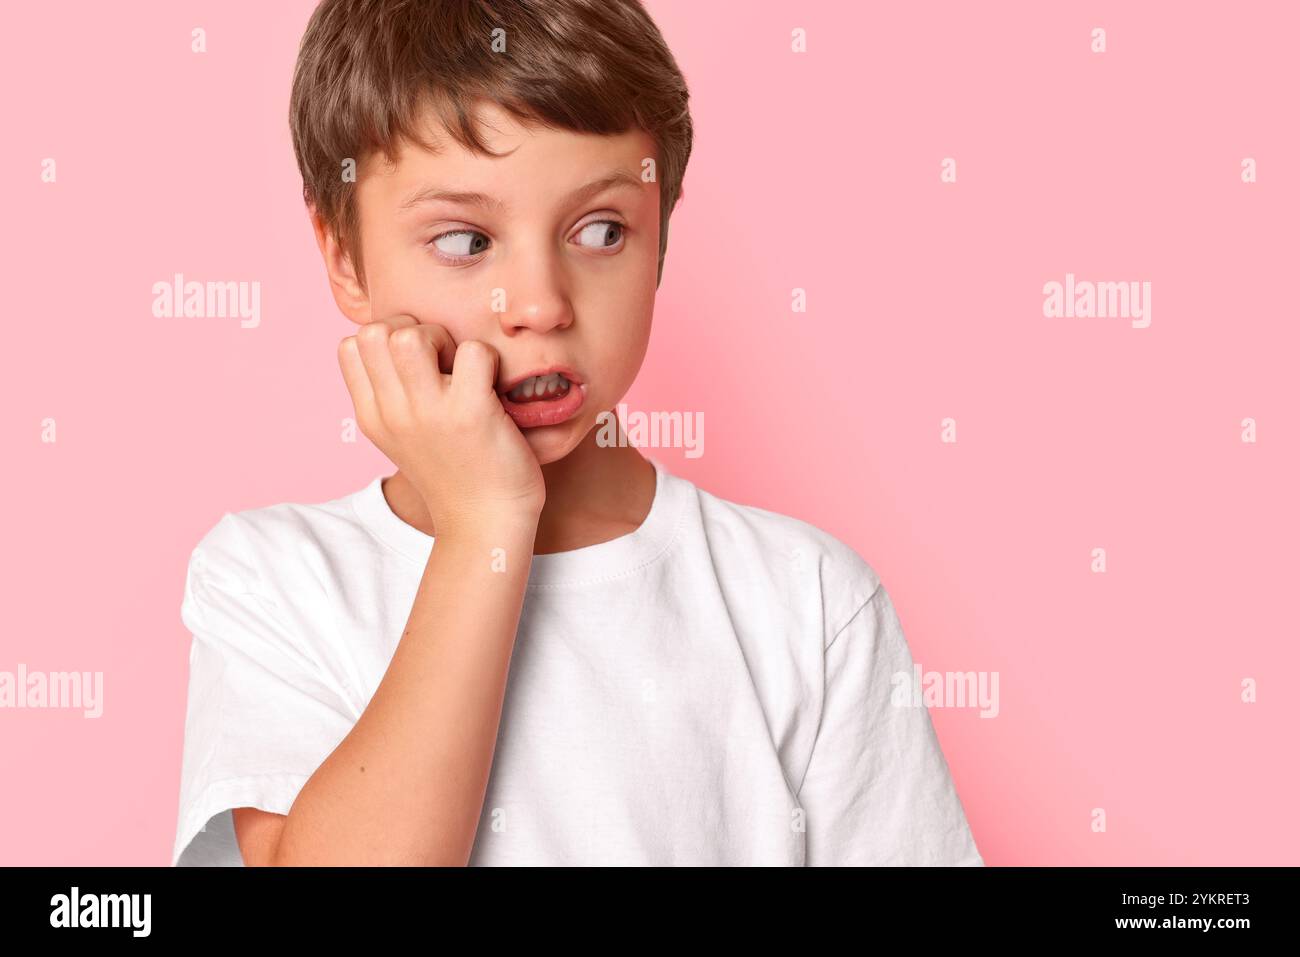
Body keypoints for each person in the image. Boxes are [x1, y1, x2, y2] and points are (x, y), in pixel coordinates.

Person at [171, 0, 983, 867]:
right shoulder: (274, 580)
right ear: (343, 255)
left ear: (661, 233)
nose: (540, 304)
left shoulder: (808, 603)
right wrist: (486, 523)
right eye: (465, 240)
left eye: (601, 230)